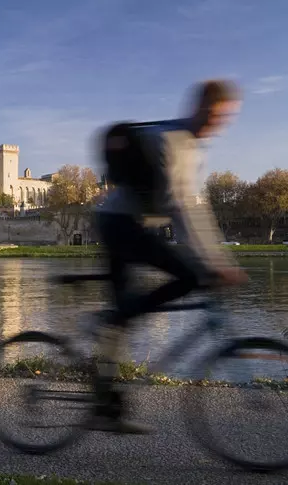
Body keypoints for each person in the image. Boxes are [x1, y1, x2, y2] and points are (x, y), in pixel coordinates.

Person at [92, 79, 248, 433]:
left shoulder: (189, 145)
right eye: (218, 114)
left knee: (121, 318)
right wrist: (213, 264)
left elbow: (194, 206)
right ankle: (119, 318)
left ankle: (107, 407)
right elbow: (182, 208)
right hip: (119, 224)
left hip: (127, 223)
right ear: (202, 107)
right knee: (190, 277)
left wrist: (217, 258)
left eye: (226, 118)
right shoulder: (173, 142)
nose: (220, 123)